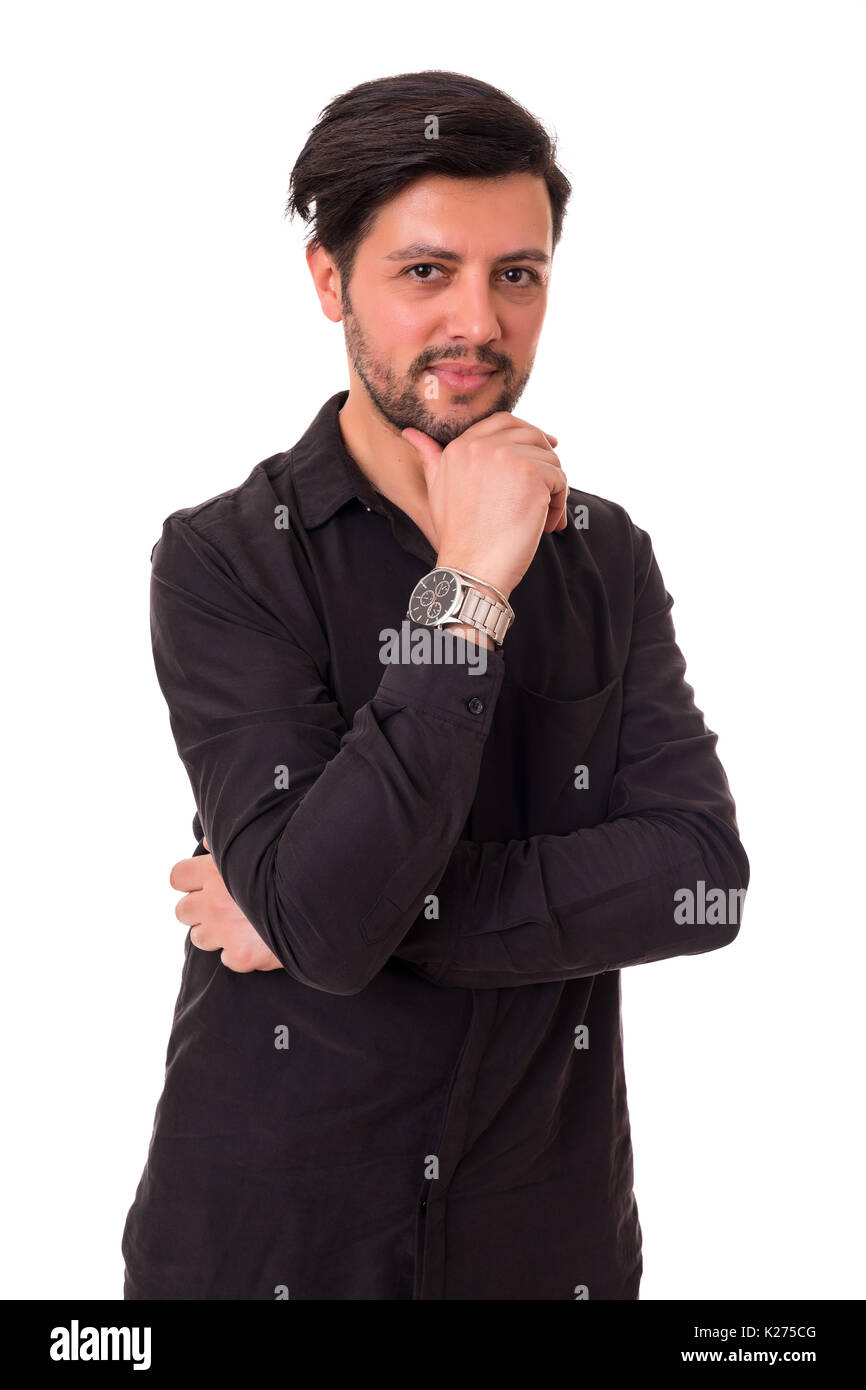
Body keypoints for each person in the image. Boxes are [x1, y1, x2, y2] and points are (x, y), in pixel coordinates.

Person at [121, 69, 749, 1301]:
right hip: (267, 1247)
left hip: (542, 1241)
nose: (478, 320)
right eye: (424, 271)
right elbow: (326, 913)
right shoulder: (221, 559)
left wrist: (324, 919)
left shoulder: (604, 553)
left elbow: (699, 880)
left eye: (516, 272)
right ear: (327, 281)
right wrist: (469, 578)